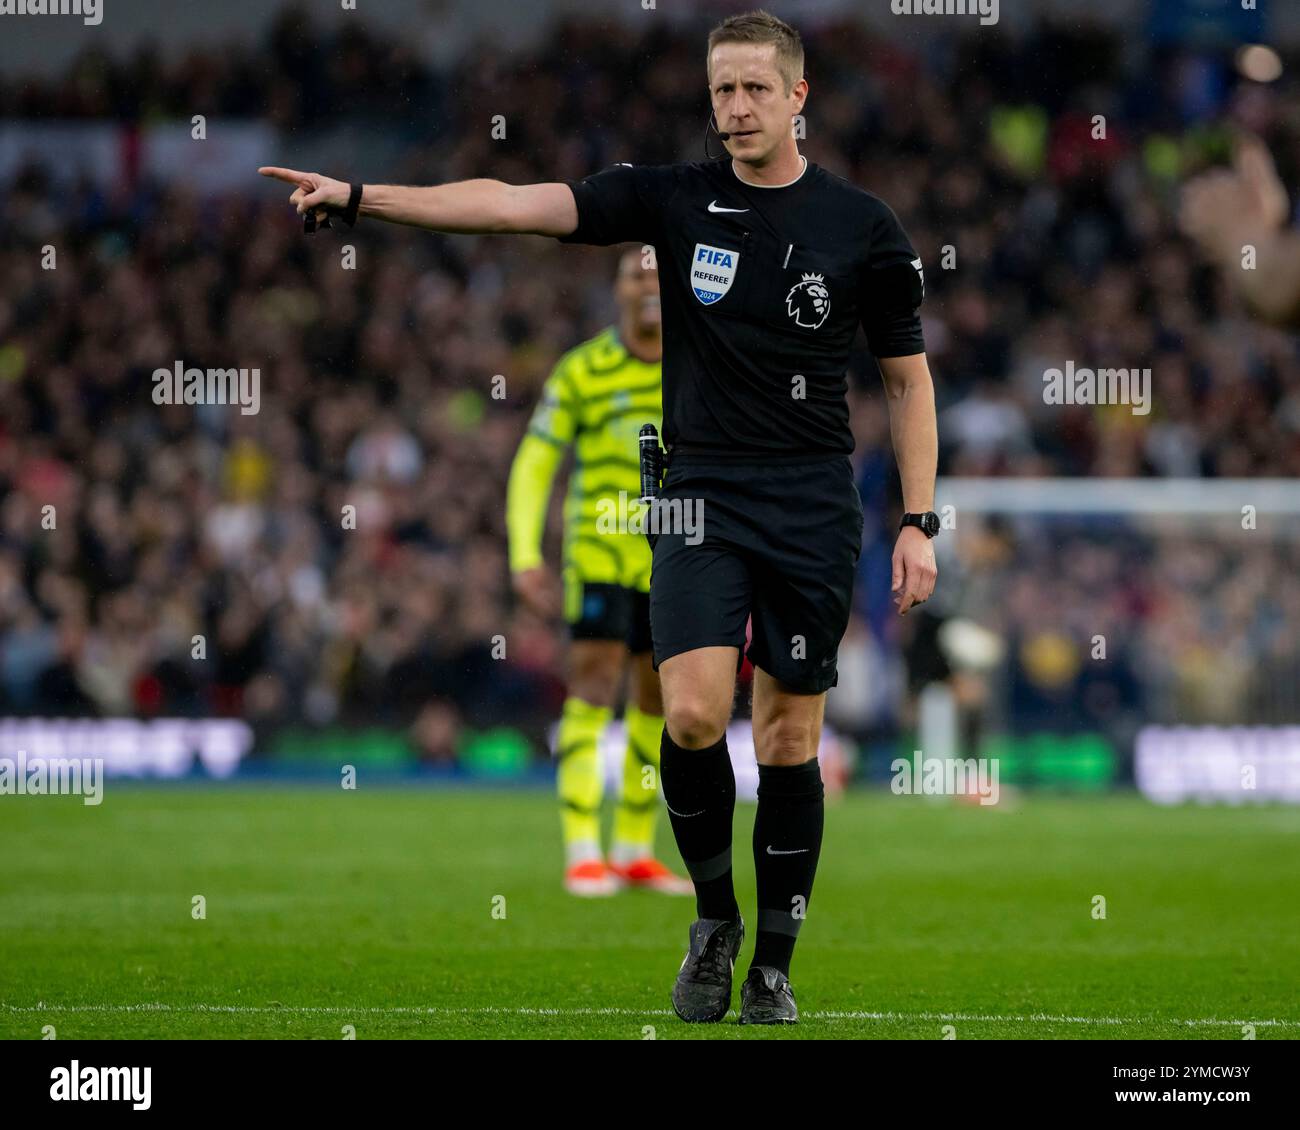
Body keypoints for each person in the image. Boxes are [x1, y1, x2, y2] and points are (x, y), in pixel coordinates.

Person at [260, 8, 938, 1026]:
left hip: (810, 502)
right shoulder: (673, 198)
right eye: (721, 91)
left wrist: (918, 518)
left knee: (790, 738)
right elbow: (509, 204)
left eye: (756, 88)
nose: (736, 108)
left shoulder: (862, 226)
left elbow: (907, 380)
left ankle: (774, 964)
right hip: (698, 495)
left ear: (798, 96)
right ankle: (715, 919)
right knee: (696, 713)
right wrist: (364, 197)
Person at [507, 248, 690, 898]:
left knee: (657, 700)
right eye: (634, 273)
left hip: (674, 559)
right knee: (592, 684)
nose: (646, 282)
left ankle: (634, 847)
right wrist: (525, 553)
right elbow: (536, 458)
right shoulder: (583, 369)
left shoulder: (695, 363)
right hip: (599, 556)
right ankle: (582, 848)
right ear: (616, 289)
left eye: (655, 271)